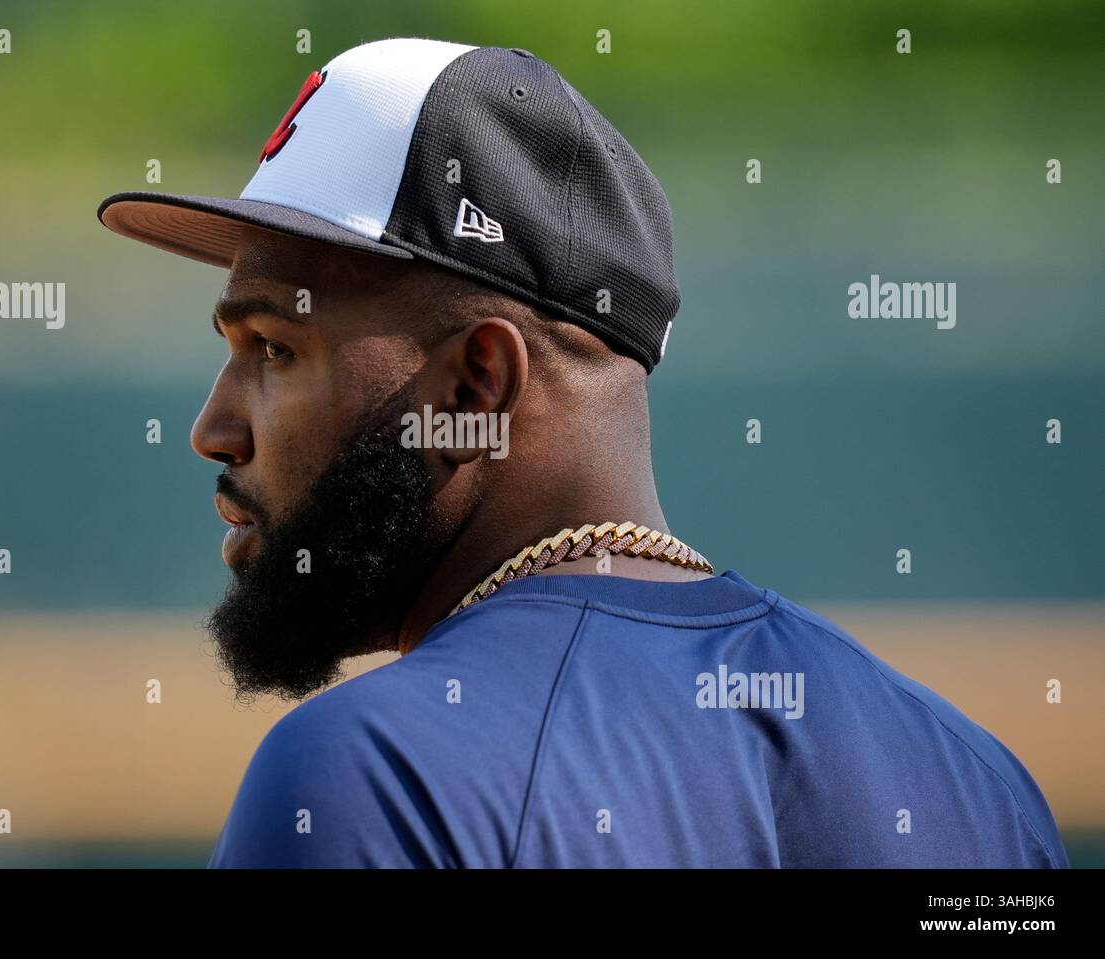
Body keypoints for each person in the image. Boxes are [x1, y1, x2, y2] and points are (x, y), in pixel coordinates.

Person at [97, 38, 1068, 868]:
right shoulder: (975, 780)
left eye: (273, 349)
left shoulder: (371, 776)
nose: (213, 427)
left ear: (476, 385)